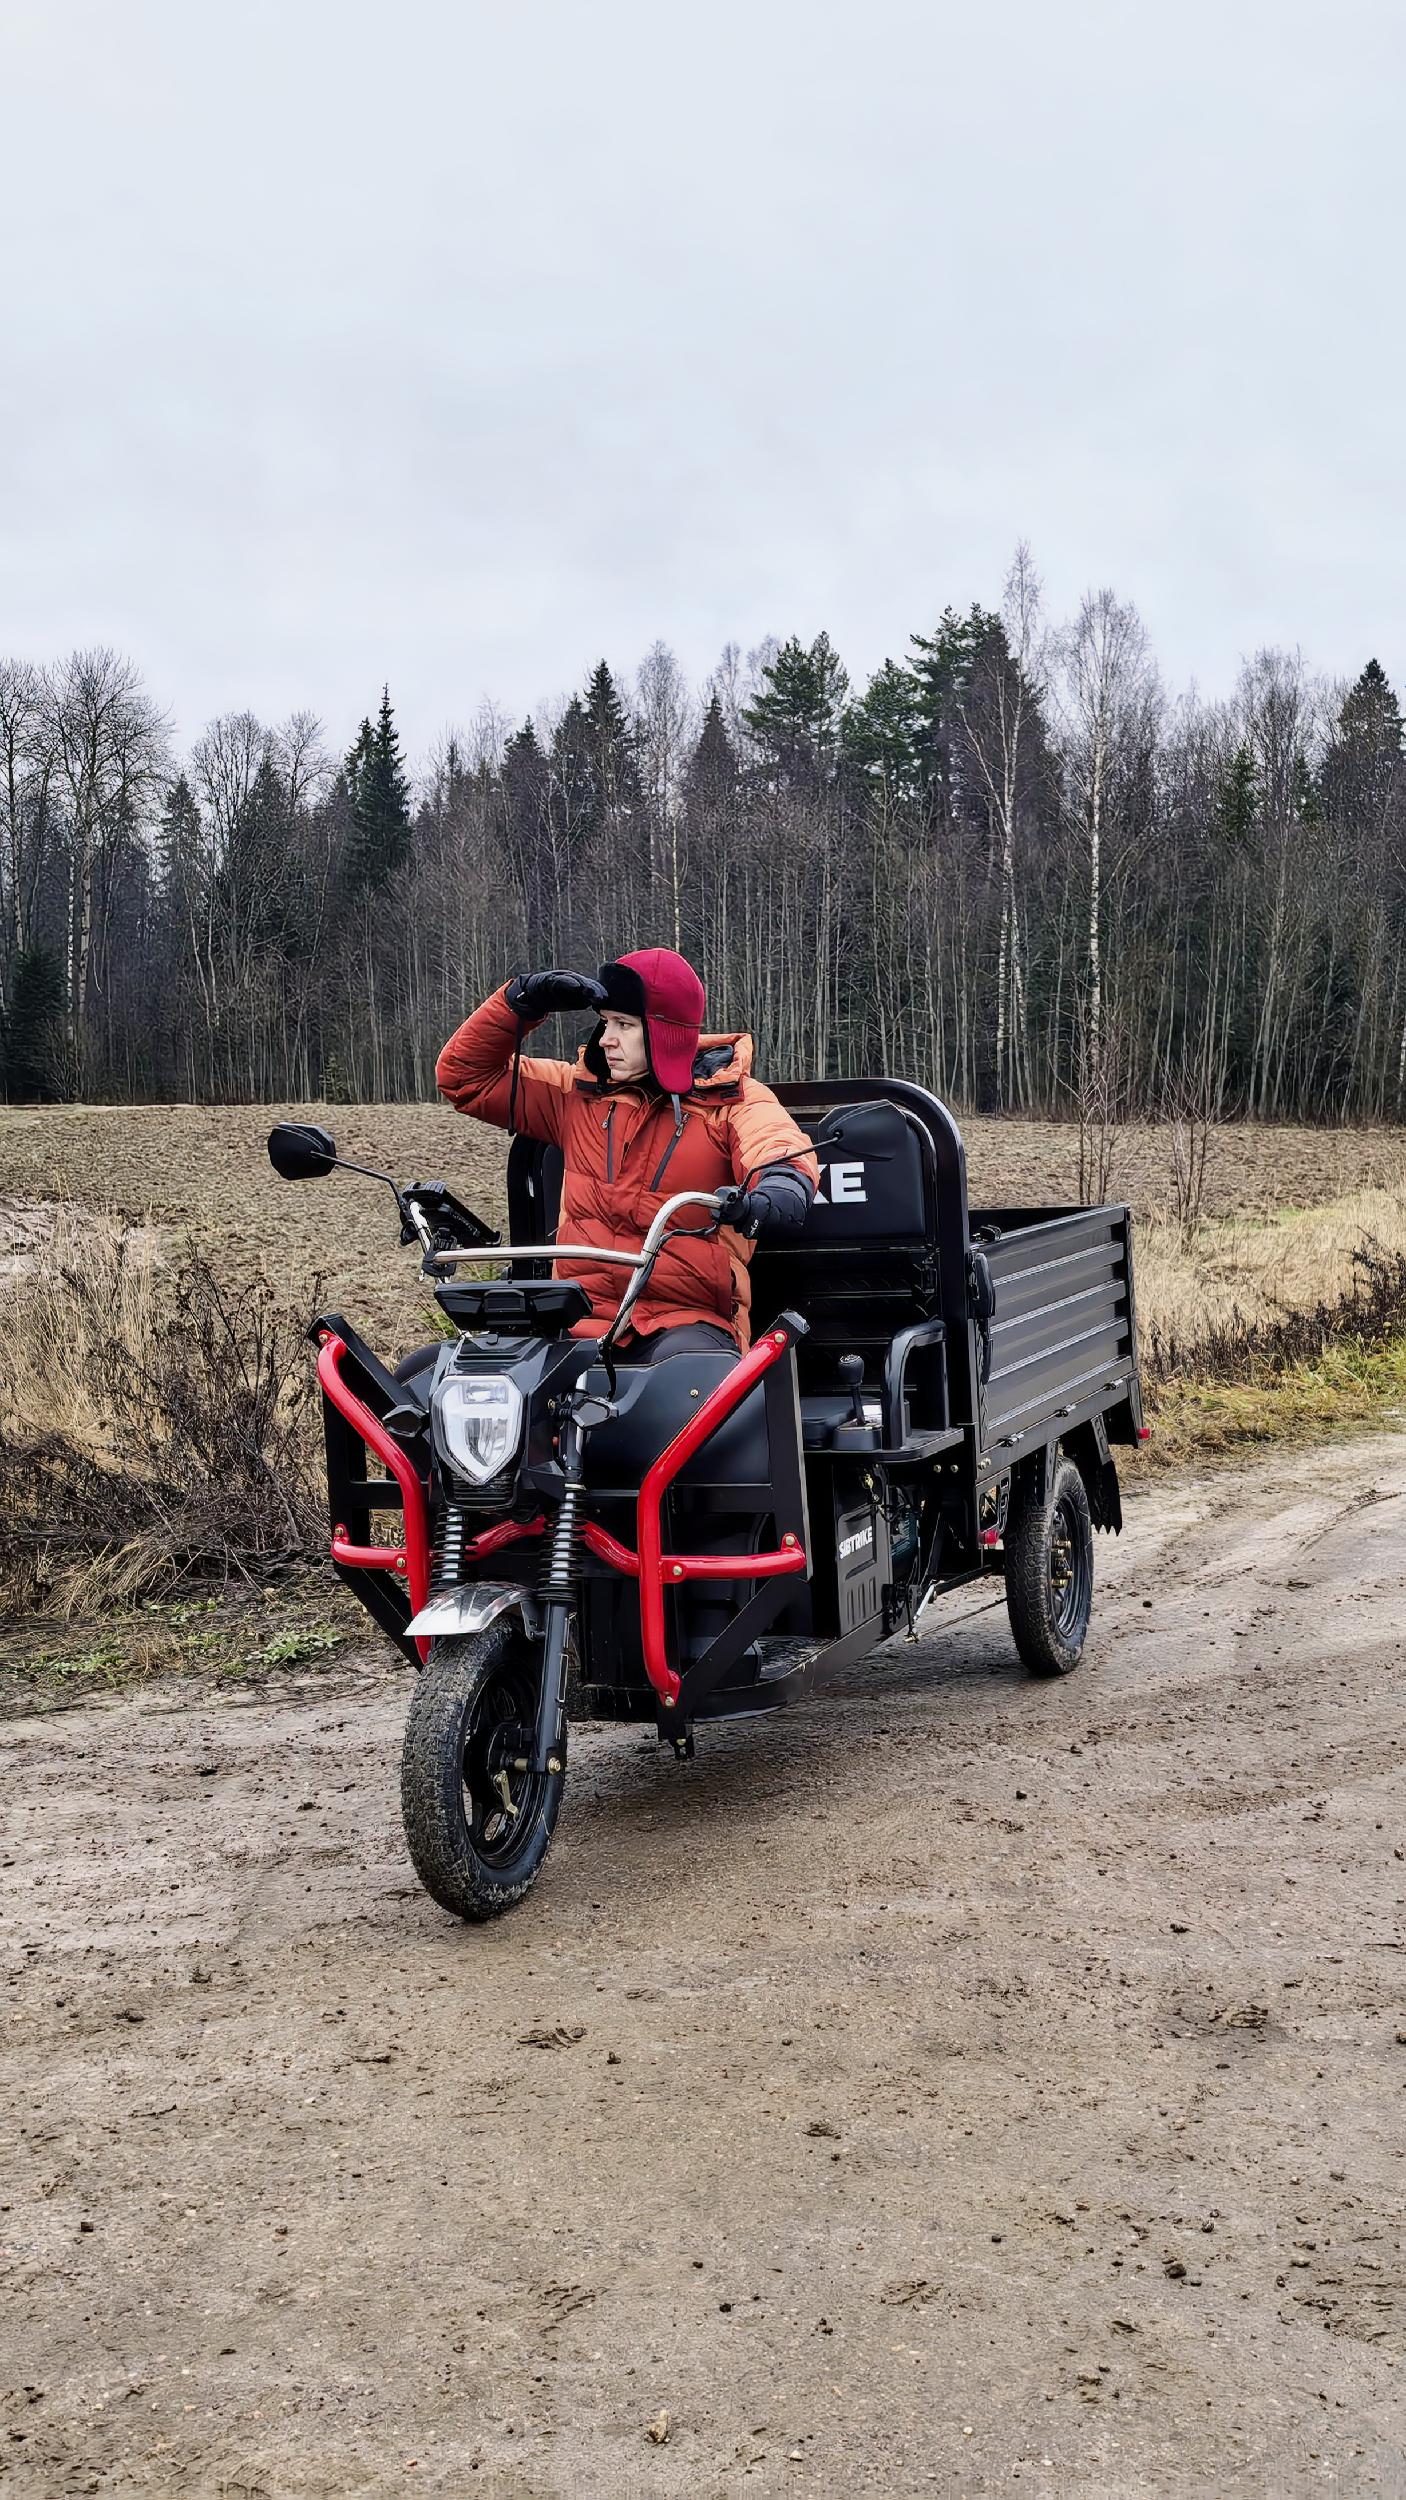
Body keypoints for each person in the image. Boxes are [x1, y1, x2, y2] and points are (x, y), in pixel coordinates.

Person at [434, 947, 818, 1360]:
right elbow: (464, 1078)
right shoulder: (575, 1095)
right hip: (576, 1318)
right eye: (604, 1023)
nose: (606, 1039)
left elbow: (779, 1150)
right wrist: (520, 1004)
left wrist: (776, 1191)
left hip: (687, 1322)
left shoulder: (732, 1101)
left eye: (624, 1024)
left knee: (685, 1387)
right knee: (448, 1380)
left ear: (663, 1031)